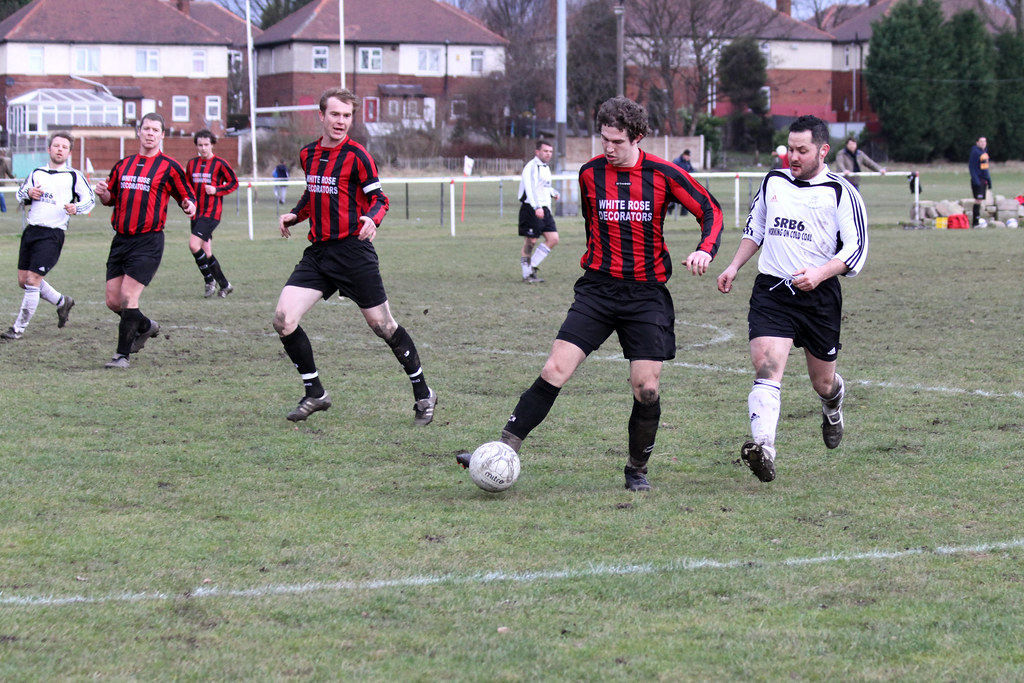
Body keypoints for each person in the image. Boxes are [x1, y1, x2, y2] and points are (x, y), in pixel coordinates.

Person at [458, 96, 724, 491]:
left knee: (647, 389)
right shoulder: (590, 174)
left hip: (646, 295)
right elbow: (592, 225)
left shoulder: (664, 174)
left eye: (618, 141)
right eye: (604, 140)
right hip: (598, 290)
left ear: (637, 137)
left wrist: (705, 249)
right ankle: (501, 450)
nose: (609, 148)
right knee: (554, 369)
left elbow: (710, 210)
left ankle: (636, 469)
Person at [716, 115, 869, 483]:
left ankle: (833, 406)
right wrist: (734, 266)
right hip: (773, 291)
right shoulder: (774, 181)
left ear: (823, 150)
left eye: (802, 150)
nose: (794, 157)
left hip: (819, 298)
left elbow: (856, 249)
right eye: (791, 149)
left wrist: (819, 274)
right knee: (766, 366)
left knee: (823, 383)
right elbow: (756, 228)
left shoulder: (841, 192)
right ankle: (764, 448)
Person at [273, 87, 437, 425]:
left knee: (383, 326)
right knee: (283, 319)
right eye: (335, 114)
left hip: (353, 251)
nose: (341, 121)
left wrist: (371, 219)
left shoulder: (358, 156)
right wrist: (295, 215)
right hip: (319, 254)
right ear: (321, 115)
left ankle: (424, 393)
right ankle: (315, 392)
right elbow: (312, 194)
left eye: (347, 116)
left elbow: (380, 199)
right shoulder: (308, 154)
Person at [94, 112, 196, 369]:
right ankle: (146, 325)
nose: (150, 133)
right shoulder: (123, 165)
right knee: (113, 301)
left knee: (128, 296)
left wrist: (188, 205)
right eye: (146, 128)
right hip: (121, 240)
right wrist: (103, 194)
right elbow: (110, 199)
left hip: (148, 241)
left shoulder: (170, 167)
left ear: (162, 135)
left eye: (155, 130)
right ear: (138, 132)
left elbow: (187, 197)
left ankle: (122, 356)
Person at [1, 132, 94, 341]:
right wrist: (29, 193)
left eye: (64, 147)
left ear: (69, 152)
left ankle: (17, 329)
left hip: (52, 234)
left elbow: (89, 199)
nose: (60, 149)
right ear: (49, 149)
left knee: (32, 280)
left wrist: (76, 208)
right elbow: (20, 193)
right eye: (56, 145)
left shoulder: (73, 176)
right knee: (23, 281)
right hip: (31, 232)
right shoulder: (37, 173)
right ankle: (62, 302)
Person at [186, 129, 238, 298]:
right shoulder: (192, 164)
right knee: (206, 252)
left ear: (212, 144)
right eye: (200, 145)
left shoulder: (220, 164)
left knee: (193, 245)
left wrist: (216, 190)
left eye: (206, 145)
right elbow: (187, 187)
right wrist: (188, 203)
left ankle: (209, 281)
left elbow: (234, 183)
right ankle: (225, 285)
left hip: (211, 213)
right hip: (196, 213)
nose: (203, 148)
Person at [517, 139, 559, 283]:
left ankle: (532, 266)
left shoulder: (545, 167)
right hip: (531, 208)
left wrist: (553, 192)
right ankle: (526, 274)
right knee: (531, 241)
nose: (548, 154)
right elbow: (530, 189)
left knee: (553, 239)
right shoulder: (531, 167)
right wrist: (536, 207)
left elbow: (544, 186)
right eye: (545, 151)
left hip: (544, 208)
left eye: (550, 151)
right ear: (537, 152)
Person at [968, 136, 992, 228]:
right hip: (978, 179)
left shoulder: (984, 152)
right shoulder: (976, 152)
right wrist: (976, 180)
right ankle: (975, 222)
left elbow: (985, 168)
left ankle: (977, 221)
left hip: (983, 180)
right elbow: (972, 167)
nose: (983, 143)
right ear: (977, 143)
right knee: (978, 200)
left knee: (980, 200)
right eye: (981, 141)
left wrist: (988, 180)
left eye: (984, 141)